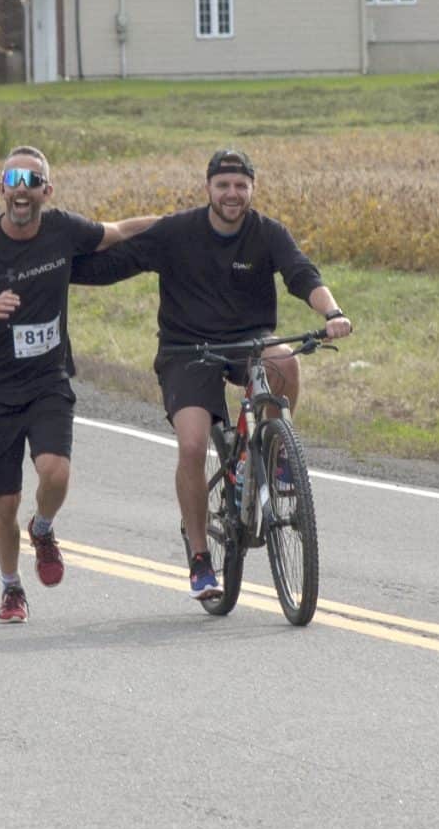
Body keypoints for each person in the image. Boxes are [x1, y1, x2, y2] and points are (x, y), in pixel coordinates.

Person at [73, 147, 350, 600]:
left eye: (241, 185)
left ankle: (277, 452)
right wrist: (52, 269)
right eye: (223, 185)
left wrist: (333, 311)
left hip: (249, 343)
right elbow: (115, 265)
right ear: (208, 189)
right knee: (193, 445)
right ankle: (201, 559)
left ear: (252, 189)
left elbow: (302, 274)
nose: (232, 193)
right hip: (187, 349)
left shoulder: (267, 233)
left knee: (285, 360)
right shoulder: (178, 231)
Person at [0, 146, 157, 623]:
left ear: (46, 192)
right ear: (1, 189)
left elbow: (116, 233)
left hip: (47, 377)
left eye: (32, 181)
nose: (22, 188)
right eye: (14, 179)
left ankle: (45, 528)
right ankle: (11, 588)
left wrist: (178, 224)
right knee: (4, 499)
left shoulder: (63, 229)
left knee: (55, 472)